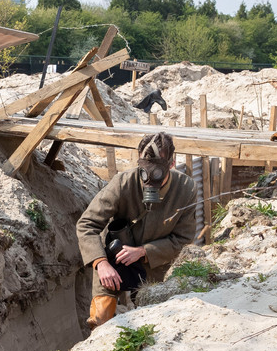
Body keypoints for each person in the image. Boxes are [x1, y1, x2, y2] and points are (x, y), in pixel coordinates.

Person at [76, 131, 197, 329]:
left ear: (172, 164)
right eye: (144, 168)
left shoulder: (185, 189)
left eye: (157, 171)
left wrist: (143, 252)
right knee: (101, 318)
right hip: (114, 260)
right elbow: (86, 224)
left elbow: (182, 239)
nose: (149, 178)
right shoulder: (123, 182)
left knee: (153, 322)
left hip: (153, 265)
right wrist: (101, 263)